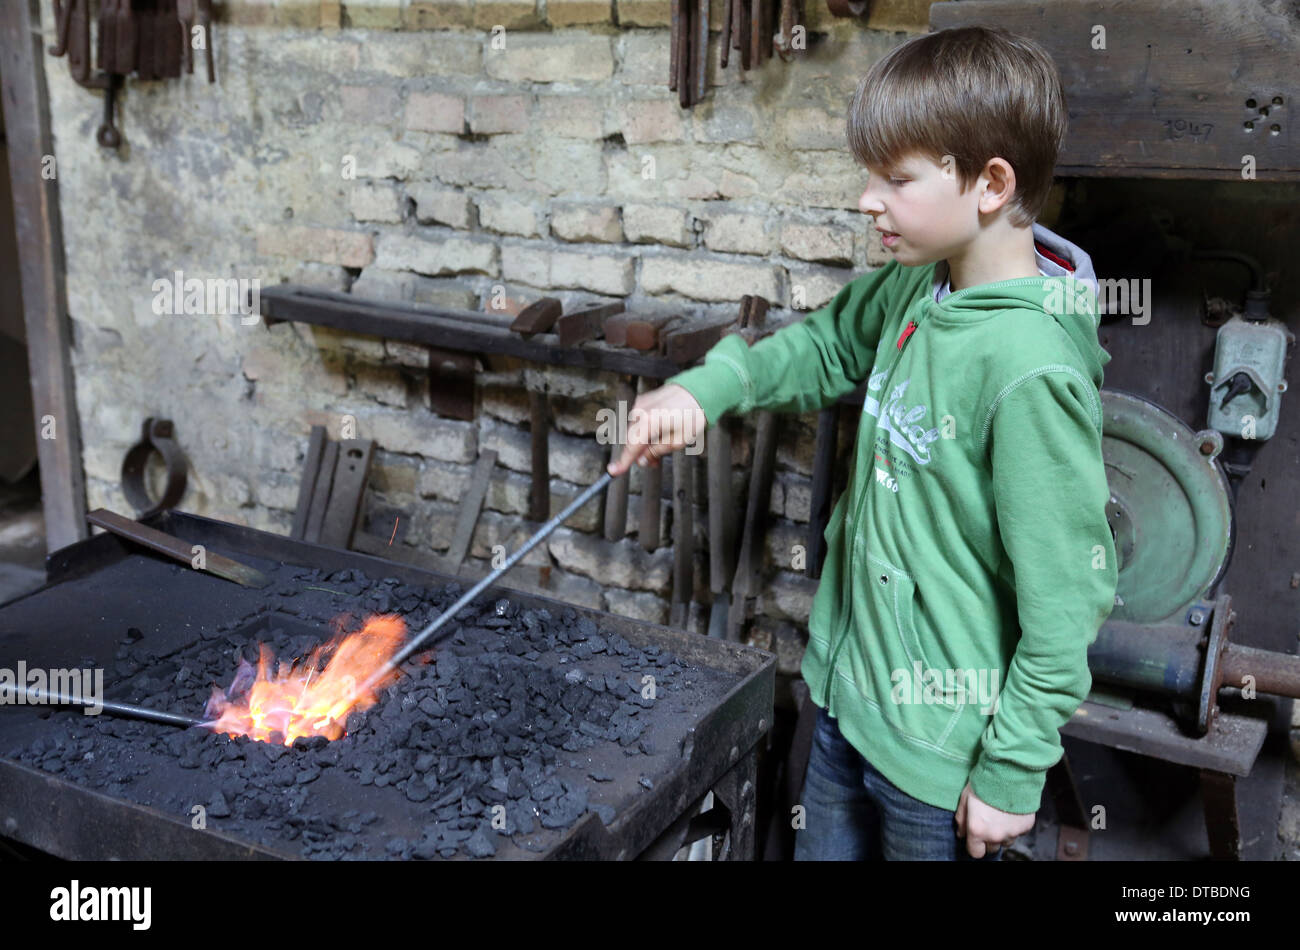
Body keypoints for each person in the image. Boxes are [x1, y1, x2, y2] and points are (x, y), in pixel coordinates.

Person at [606, 25, 1118, 861]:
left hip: (940, 759)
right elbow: (826, 345)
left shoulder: (1029, 370)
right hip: (845, 702)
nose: (866, 200)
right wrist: (705, 392)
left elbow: (1067, 605)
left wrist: (1011, 773)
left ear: (991, 183)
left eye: (896, 178)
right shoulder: (924, 281)